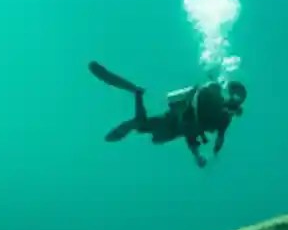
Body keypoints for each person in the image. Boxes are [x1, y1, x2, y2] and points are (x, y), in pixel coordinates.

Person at [89, 61, 247, 168]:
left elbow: (207, 136)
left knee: (150, 133)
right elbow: (193, 124)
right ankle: (136, 95)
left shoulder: (223, 119)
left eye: (238, 100)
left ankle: (136, 103)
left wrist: (206, 154)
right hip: (175, 119)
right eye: (235, 96)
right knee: (144, 126)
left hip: (176, 126)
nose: (235, 103)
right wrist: (199, 154)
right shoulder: (212, 96)